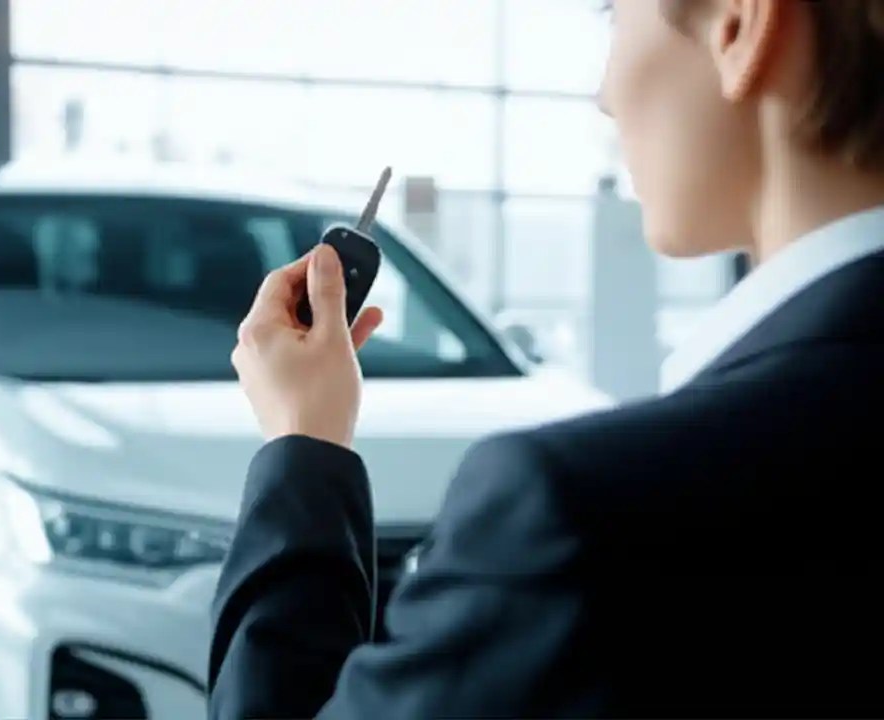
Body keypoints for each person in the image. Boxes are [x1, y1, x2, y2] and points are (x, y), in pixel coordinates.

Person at [210, 0, 884, 716]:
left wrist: (302, 447)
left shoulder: (579, 515)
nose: (604, 94)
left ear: (740, 27)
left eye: (614, 18)